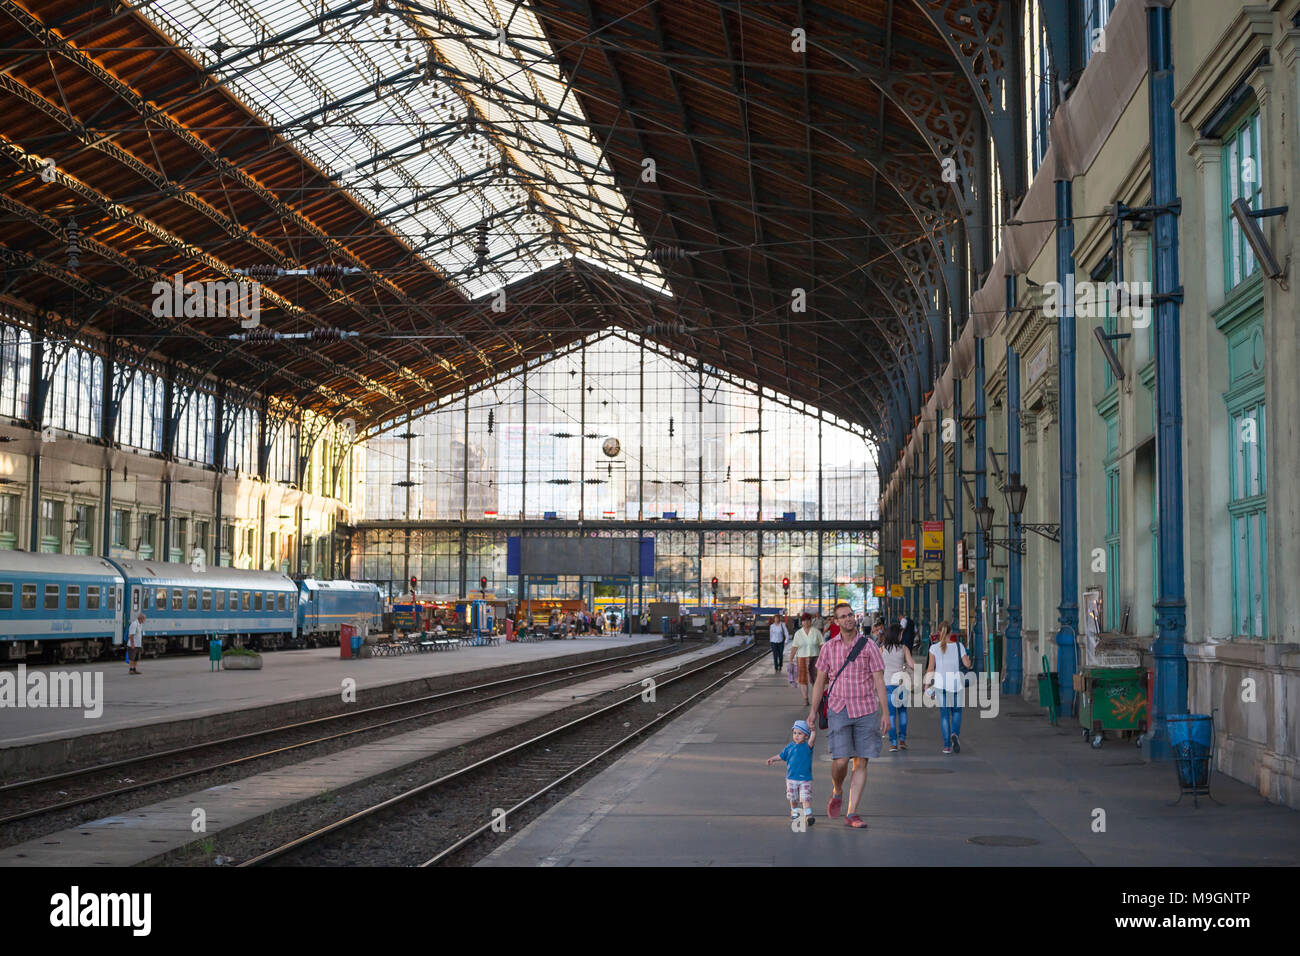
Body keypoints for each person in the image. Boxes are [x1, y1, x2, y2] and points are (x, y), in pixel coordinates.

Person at [806, 602, 889, 828]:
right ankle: (838, 790)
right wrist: (812, 712)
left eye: (851, 615)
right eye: (843, 616)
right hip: (839, 709)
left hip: (866, 710)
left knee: (861, 761)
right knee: (841, 760)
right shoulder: (829, 648)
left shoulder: (869, 646)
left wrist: (886, 713)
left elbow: (879, 680)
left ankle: (852, 812)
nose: (848, 619)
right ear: (836, 621)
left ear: (856, 618)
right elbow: (820, 682)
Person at [925, 621, 972, 754]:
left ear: (939, 632)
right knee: (956, 712)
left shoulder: (934, 648)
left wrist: (927, 685)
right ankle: (955, 734)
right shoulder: (959, 646)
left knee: (944, 715)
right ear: (951, 633)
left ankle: (946, 746)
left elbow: (930, 668)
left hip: (940, 685)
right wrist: (967, 657)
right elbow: (967, 664)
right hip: (956, 684)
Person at [766, 719, 817, 825]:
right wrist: (773, 759)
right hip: (791, 778)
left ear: (806, 736)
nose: (796, 736)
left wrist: (813, 731)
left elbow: (812, 740)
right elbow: (781, 756)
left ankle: (808, 815)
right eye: (794, 733)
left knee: (805, 798)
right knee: (793, 798)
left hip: (805, 779)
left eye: (800, 733)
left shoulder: (807, 747)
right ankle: (794, 812)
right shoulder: (789, 747)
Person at [880, 623, 916, 752]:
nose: (902, 636)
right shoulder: (904, 648)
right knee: (902, 713)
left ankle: (893, 743)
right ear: (897, 635)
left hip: (888, 685)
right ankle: (902, 740)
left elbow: (878, 668)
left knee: (890, 715)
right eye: (901, 634)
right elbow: (912, 664)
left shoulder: (882, 649)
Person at [792, 613, 824, 706]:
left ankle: (816, 698)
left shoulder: (816, 632)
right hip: (802, 658)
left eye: (808, 620)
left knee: (816, 679)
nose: (806, 622)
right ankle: (805, 699)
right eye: (804, 620)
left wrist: (825, 657)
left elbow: (822, 645)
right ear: (801, 622)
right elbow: (794, 646)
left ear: (811, 621)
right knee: (803, 680)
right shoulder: (798, 633)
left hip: (815, 657)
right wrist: (791, 659)